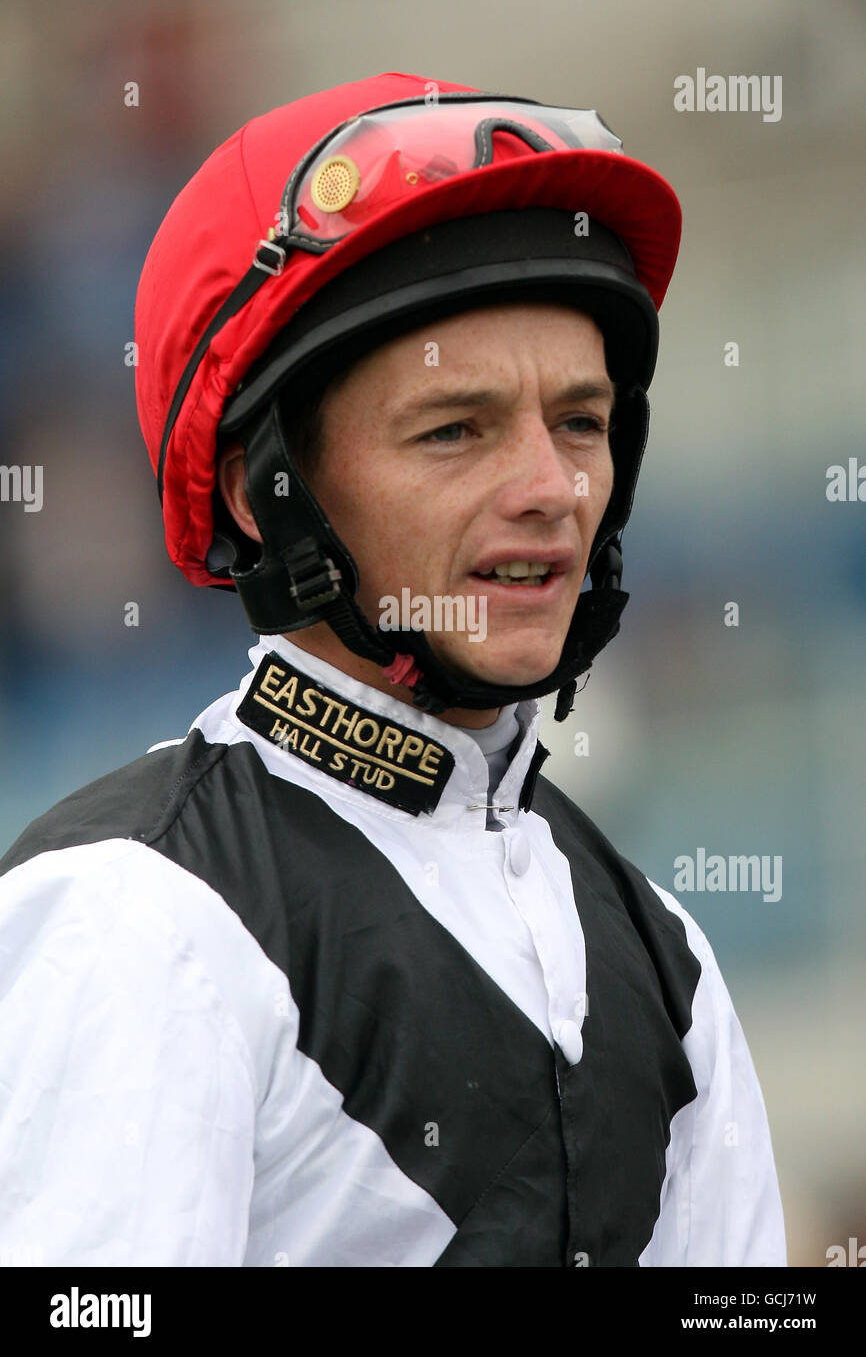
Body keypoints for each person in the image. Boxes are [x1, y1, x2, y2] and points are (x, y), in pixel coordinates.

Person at [0, 71, 786, 1267]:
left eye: (577, 422)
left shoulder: (665, 958)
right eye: (453, 429)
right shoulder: (130, 912)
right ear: (266, 496)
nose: (549, 487)